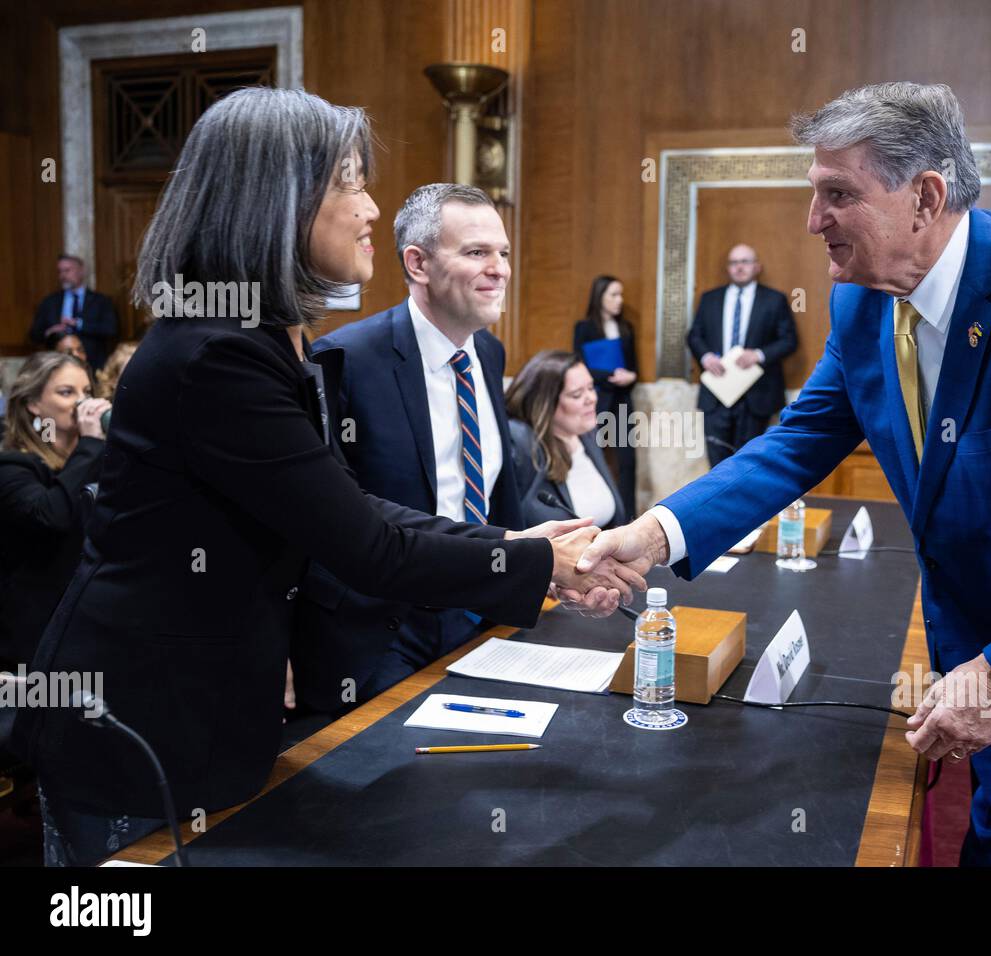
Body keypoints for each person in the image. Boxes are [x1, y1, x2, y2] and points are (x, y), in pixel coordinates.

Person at [574, 82, 991, 867]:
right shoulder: (861, 303)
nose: (813, 221)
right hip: (979, 642)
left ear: (924, 196)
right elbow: (799, 441)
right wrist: (654, 534)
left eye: (837, 195)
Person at [13, 87, 646, 867]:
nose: (371, 207)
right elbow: (364, 544)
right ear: (276, 200)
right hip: (140, 722)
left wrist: (513, 544)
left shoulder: (259, 336)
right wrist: (539, 561)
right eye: (349, 182)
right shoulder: (221, 353)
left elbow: (343, 504)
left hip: (193, 712)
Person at [294, 183, 532, 712]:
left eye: (504, 253)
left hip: (476, 608)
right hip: (379, 630)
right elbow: (315, 513)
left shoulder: (488, 352)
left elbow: (495, 491)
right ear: (418, 263)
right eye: (477, 252)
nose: (500, 269)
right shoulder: (343, 357)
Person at [0, 353, 110, 669]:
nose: (81, 402)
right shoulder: (13, 467)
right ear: (34, 403)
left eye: (87, 392)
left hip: (89, 622)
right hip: (33, 638)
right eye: (67, 392)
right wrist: (89, 445)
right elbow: (52, 516)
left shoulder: (93, 459)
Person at [687, 245, 798, 466]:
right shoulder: (710, 298)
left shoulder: (775, 300)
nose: (739, 267)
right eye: (734, 262)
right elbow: (694, 336)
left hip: (756, 398)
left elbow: (789, 341)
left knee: (749, 465)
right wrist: (705, 356)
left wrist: (758, 354)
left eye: (745, 262)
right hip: (717, 395)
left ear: (757, 266)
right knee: (717, 466)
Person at [506, 350, 627, 529]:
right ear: (544, 403)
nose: (592, 399)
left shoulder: (587, 433)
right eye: (577, 394)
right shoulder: (521, 444)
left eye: (591, 388)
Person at [573, 275, 637, 511]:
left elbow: (634, 368)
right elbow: (580, 366)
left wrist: (630, 376)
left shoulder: (626, 328)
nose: (619, 300)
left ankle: (628, 514)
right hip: (595, 400)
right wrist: (610, 375)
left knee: (627, 461)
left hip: (622, 401)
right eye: (614, 294)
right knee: (591, 456)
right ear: (600, 297)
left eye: (620, 295)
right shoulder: (584, 328)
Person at [29, 255, 120, 370]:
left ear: (81, 271)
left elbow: (111, 330)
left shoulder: (101, 301)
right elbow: (34, 335)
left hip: (93, 365)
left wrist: (79, 324)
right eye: (60, 271)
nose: (63, 275)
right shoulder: (50, 302)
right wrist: (49, 331)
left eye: (67, 270)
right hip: (56, 365)